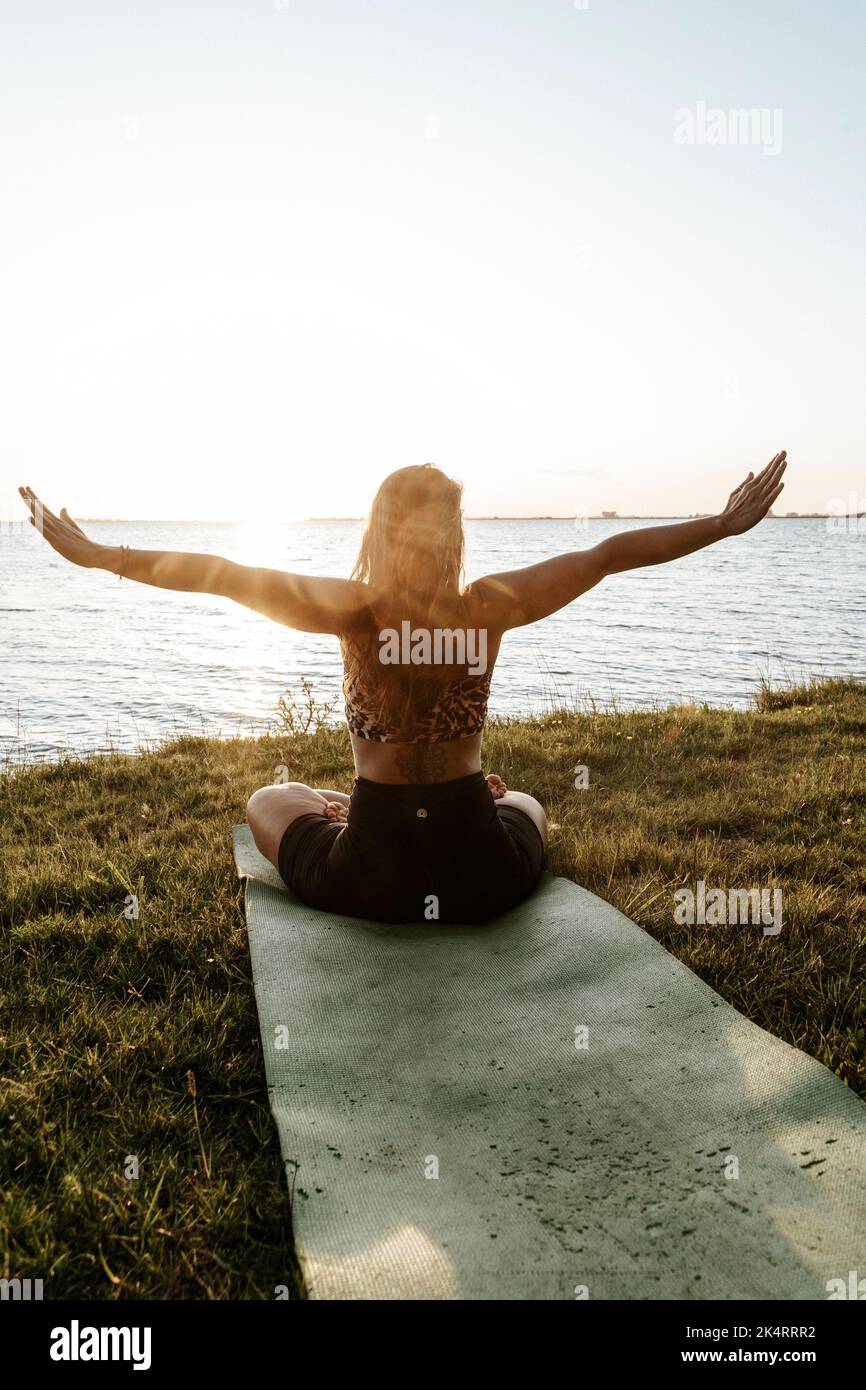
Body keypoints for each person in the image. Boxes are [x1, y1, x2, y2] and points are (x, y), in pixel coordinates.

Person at [19, 450, 786, 922]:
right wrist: (717, 526)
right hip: (485, 880)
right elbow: (608, 553)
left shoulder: (353, 610)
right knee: (525, 802)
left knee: (266, 801)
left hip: (369, 879)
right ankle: (475, 794)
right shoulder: (488, 607)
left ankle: (371, 800)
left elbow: (222, 577)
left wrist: (100, 556)